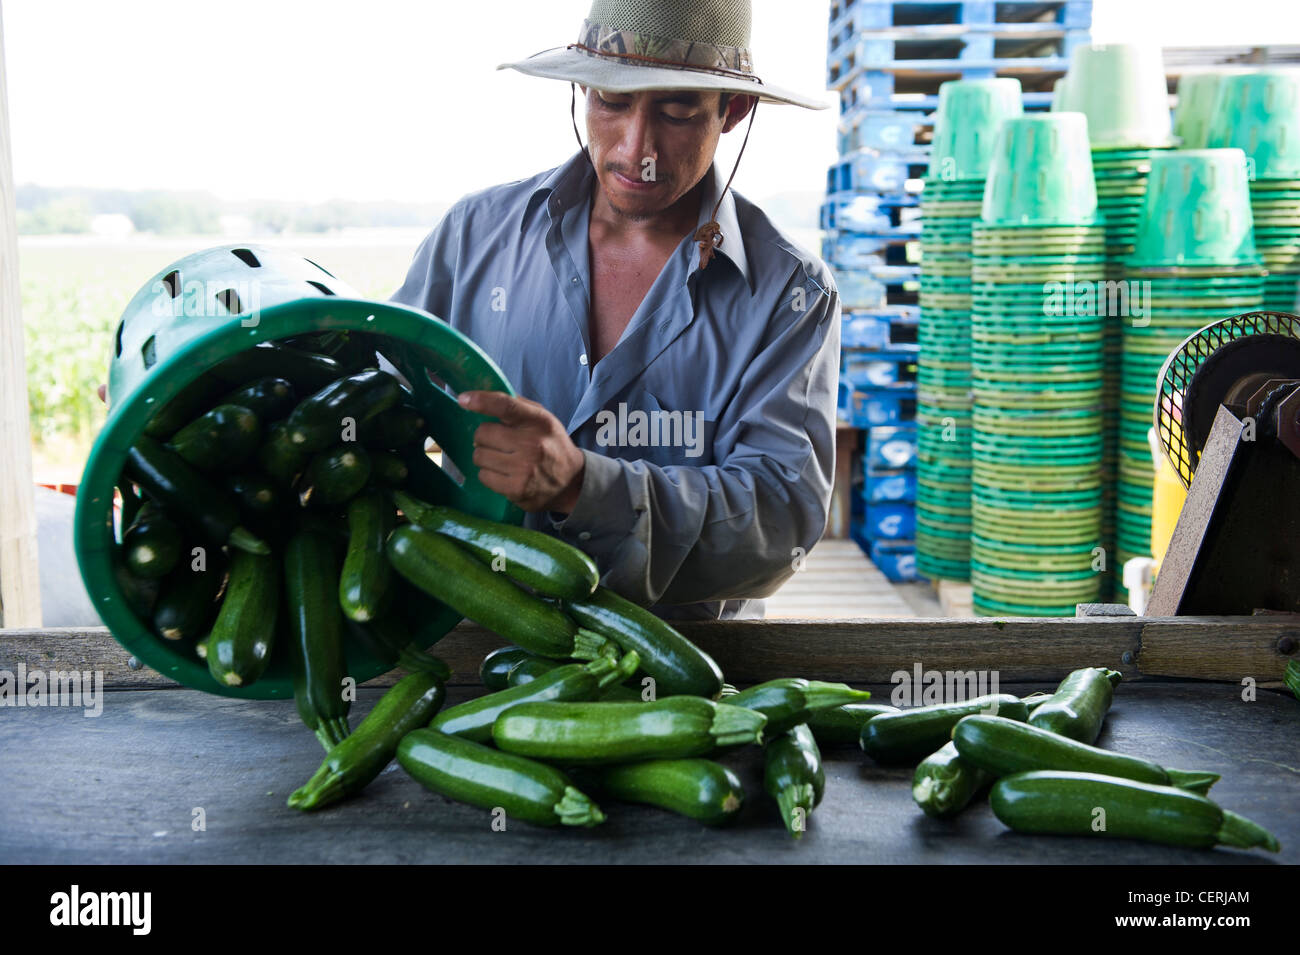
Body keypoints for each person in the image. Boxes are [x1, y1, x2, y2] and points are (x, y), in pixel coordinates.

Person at [389, 0, 841, 620]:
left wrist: (583, 486)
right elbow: (378, 393)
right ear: (580, 91)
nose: (637, 150)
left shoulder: (792, 294)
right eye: (611, 101)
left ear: (732, 110)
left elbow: (780, 518)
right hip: (470, 648)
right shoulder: (474, 236)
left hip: (685, 677)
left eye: (677, 110)